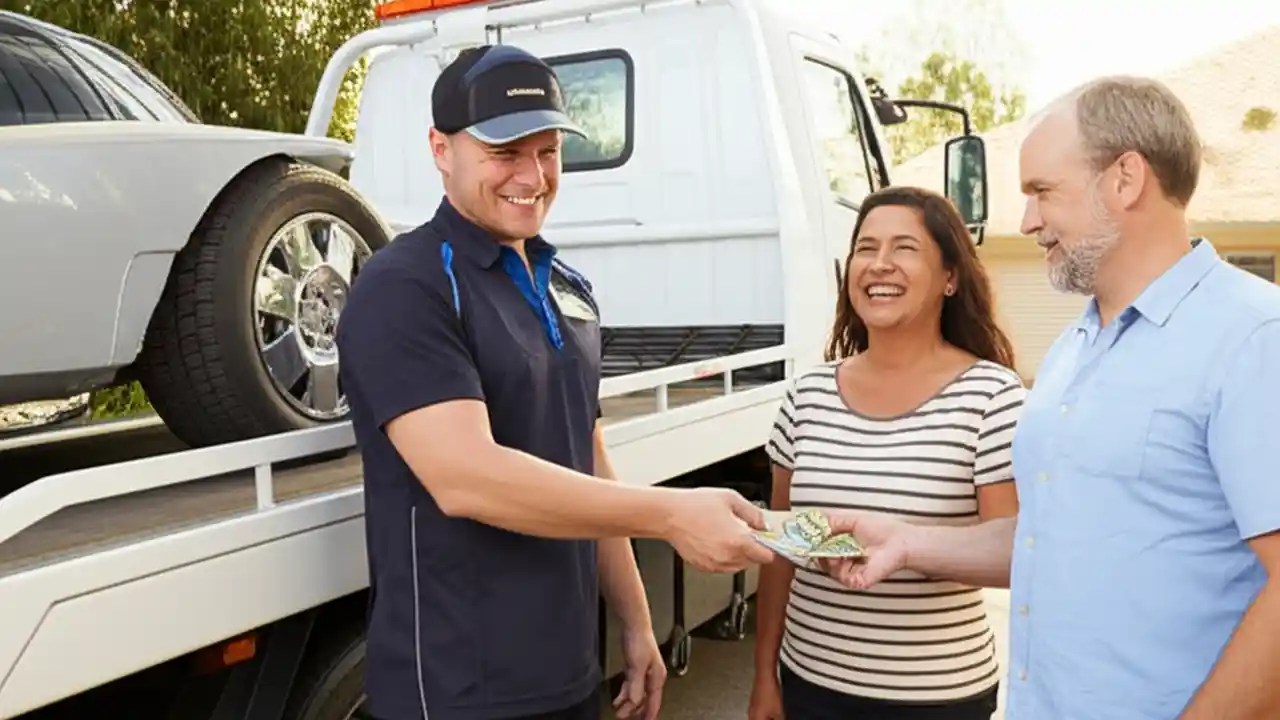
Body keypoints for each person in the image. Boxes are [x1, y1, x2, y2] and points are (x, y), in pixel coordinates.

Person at [335, 44, 773, 720]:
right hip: (455, 687)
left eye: (548, 152)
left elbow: (586, 453)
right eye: (505, 153)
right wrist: (671, 514)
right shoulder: (406, 285)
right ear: (440, 148)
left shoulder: (568, 287)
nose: (533, 176)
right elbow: (465, 477)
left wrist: (634, 618)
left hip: (566, 673)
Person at [821, 75, 1280, 720]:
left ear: (1125, 179)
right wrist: (904, 541)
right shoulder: (1073, 349)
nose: (1028, 220)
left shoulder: (1255, 337)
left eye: (1042, 191)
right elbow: (1046, 535)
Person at [749, 186, 1024, 720]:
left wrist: (905, 546)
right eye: (865, 248)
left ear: (950, 277)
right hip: (810, 684)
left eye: (905, 248)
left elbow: (1011, 554)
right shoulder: (808, 395)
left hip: (937, 698)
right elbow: (785, 548)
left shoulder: (993, 397)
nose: (879, 265)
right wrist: (765, 673)